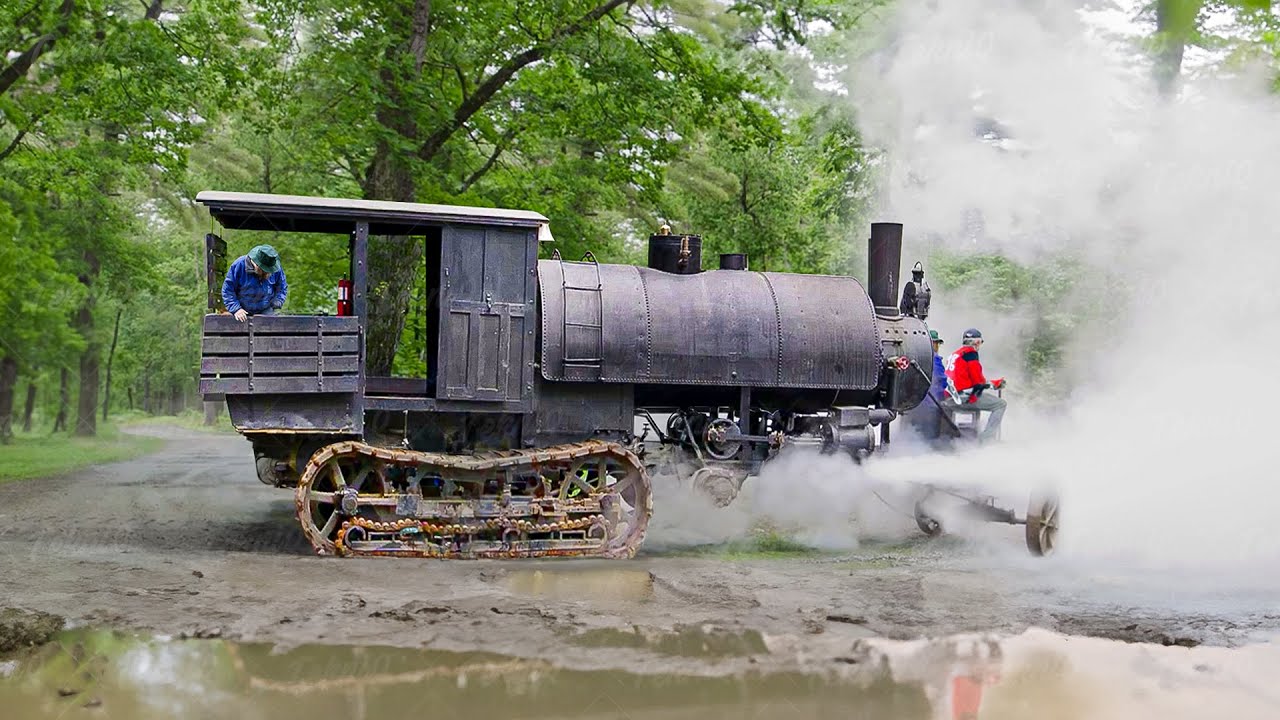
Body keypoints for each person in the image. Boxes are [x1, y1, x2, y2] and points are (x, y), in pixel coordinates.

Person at [944, 328, 1007, 442]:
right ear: (977, 342)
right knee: (1000, 404)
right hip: (963, 398)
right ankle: (986, 440)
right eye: (981, 342)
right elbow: (978, 382)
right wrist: (996, 384)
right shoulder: (970, 354)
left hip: (949, 398)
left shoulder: (954, 354)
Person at [222, 244, 288, 322]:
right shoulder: (239, 265)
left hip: (266, 309)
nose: (268, 274)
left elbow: (282, 287)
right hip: (242, 310)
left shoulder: (276, 267)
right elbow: (228, 290)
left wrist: (278, 300)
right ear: (256, 265)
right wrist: (236, 309)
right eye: (265, 271)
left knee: (270, 329)